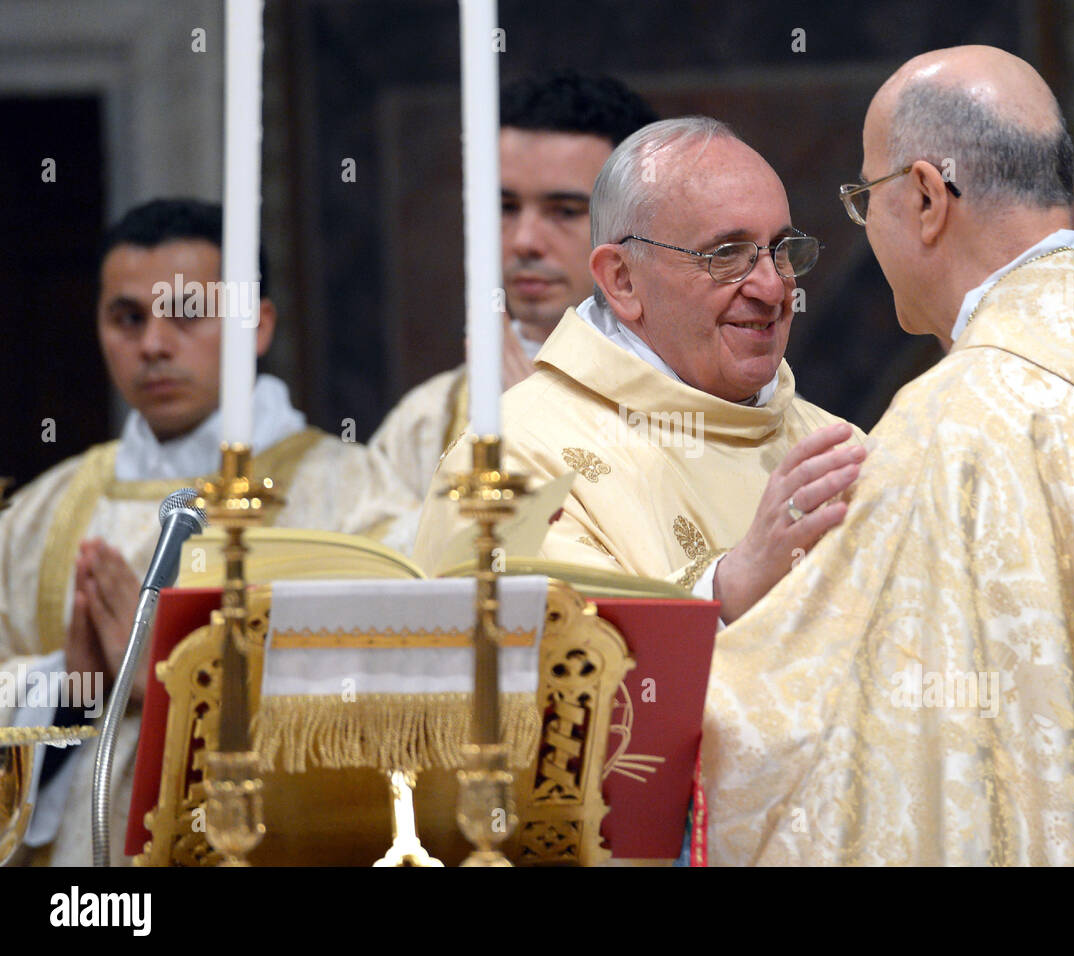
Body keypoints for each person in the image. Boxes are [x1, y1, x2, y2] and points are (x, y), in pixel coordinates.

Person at [703, 46, 1074, 865]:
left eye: (862, 197)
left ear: (922, 196)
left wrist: (618, 670)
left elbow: (792, 741)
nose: (865, 227)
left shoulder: (953, 432)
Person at [0, 198, 421, 866]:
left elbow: (404, 698)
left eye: (188, 314)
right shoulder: (38, 516)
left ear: (257, 327)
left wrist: (182, 688)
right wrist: (66, 687)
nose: (154, 345)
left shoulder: (356, 499)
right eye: (127, 318)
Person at [416, 117, 869, 624]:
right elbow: (556, 676)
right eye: (726, 255)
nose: (770, 288)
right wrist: (727, 588)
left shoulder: (839, 446)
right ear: (622, 280)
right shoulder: (515, 462)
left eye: (781, 251)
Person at [370, 70, 659, 499]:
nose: (525, 241)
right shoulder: (430, 419)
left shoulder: (691, 397)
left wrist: (535, 419)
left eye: (564, 211)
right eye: (504, 208)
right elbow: (379, 556)